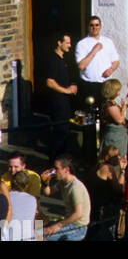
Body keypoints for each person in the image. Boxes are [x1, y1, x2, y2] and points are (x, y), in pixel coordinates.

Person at [43, 32, 77, 162]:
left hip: (65, 101)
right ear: (59, 42)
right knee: (59, 132)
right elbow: (49, 82)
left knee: (65, 131)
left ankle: (62, 160)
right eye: (67, 42)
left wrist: (73, 86)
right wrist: (66, 91)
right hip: (57, 102)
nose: (70, 45)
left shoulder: (64, 59)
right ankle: (54, 161)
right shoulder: (53, 60)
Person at [42, 155, 90, 241]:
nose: (54, 171)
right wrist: (46, 183)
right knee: (38, 228)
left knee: (40, 235)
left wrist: (57, 226)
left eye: (57, 169)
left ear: (66, 170)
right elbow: (48, 192)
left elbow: (78, 214)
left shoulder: (75, 187)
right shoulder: (62, 182)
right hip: (68, 222)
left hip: (77, 227)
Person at [75, 16, 120, 107]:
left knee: (106, 110)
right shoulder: (82, 44)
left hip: (106, 84)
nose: (94, 28)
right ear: (88, 27)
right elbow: (81, 66)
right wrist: (94, 51)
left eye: (97, 25)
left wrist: (111, 69)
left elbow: (116, 61)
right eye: (92, 25)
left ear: (100, 26)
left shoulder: (108, 42)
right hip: (90, 85)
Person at [3, 170, 38, 241]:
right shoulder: (32, 199)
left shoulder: (5, 197)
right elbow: (34, 223)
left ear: (11, 182)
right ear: (26, 186)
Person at [99, 79, 128, 158]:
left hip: (118, 134)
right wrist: (124, 108)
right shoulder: (110, 105)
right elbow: (119, 120)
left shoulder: (112, 103)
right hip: (115, 136)